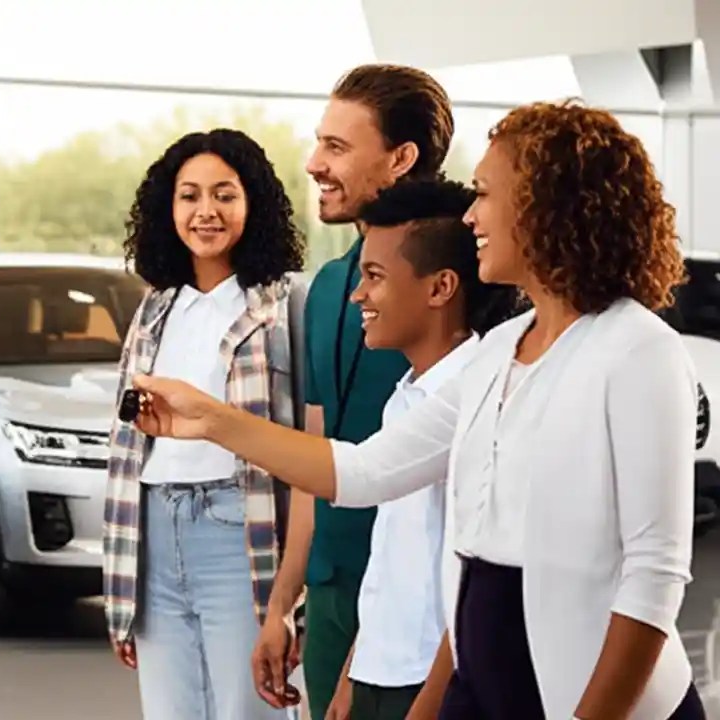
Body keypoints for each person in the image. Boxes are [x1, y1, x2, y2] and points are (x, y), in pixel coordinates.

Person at [128, 100, 708, 719]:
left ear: (547, 204)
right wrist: (212, 420)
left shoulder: (638, 349)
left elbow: (653, 575)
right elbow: (365, 471)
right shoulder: (500, 351)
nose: (471, 214)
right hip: (487, 690)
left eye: (485, 194)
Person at [257, 63, 454, 720]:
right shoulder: (325, 289)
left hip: (419, 609)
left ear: (402, 158)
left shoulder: (454, 294)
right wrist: (283, 604)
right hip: (332, 595)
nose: (314, 163)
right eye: (319, 143)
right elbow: (316, 461)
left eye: (337, 146)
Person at [103, 128, 307, 720]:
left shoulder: (284, 304)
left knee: (252, 708)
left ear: (253, 203)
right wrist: (121, 590)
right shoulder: (154, 307)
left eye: (225, 194)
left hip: (238, 531)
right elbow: (126, 446)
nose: (205, 211)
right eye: (189, 196)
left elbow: (304, 446)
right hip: (154, 533)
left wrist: (291, 604)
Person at [320, 179, 521, 720]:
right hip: (378, 676)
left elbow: (474, 581)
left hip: (429, 687)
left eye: (374, 276)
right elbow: (393, 558)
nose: (357, 295)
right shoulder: (405, 397)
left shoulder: (481, 399)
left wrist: (430, 704)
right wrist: (355, 671)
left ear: (440, 288)